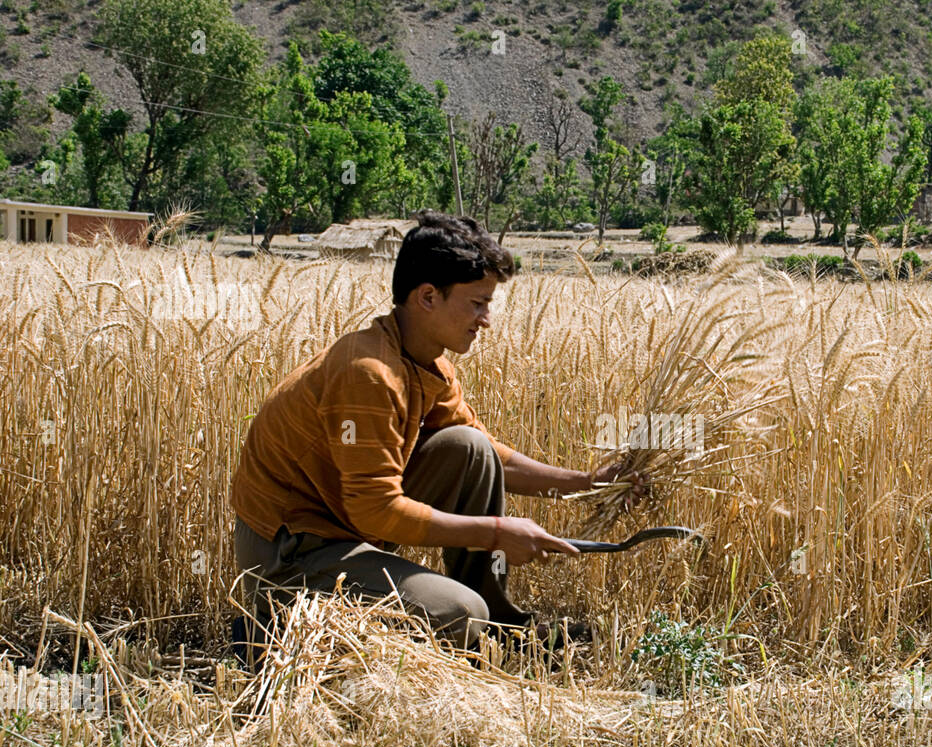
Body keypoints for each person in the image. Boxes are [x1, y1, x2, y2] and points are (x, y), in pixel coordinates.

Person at [230, 210, 639, 667]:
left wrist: (587, 482)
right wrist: (498, 533)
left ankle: (503, 629)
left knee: (470, 448)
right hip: (292, 553)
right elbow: (377, 509)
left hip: (345, 527)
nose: (486, 319)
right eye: (477, 303)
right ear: (427, 296)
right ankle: (273, 628)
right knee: (459, 613)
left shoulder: (427, 363)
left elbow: (492, 458)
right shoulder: (369, 375)